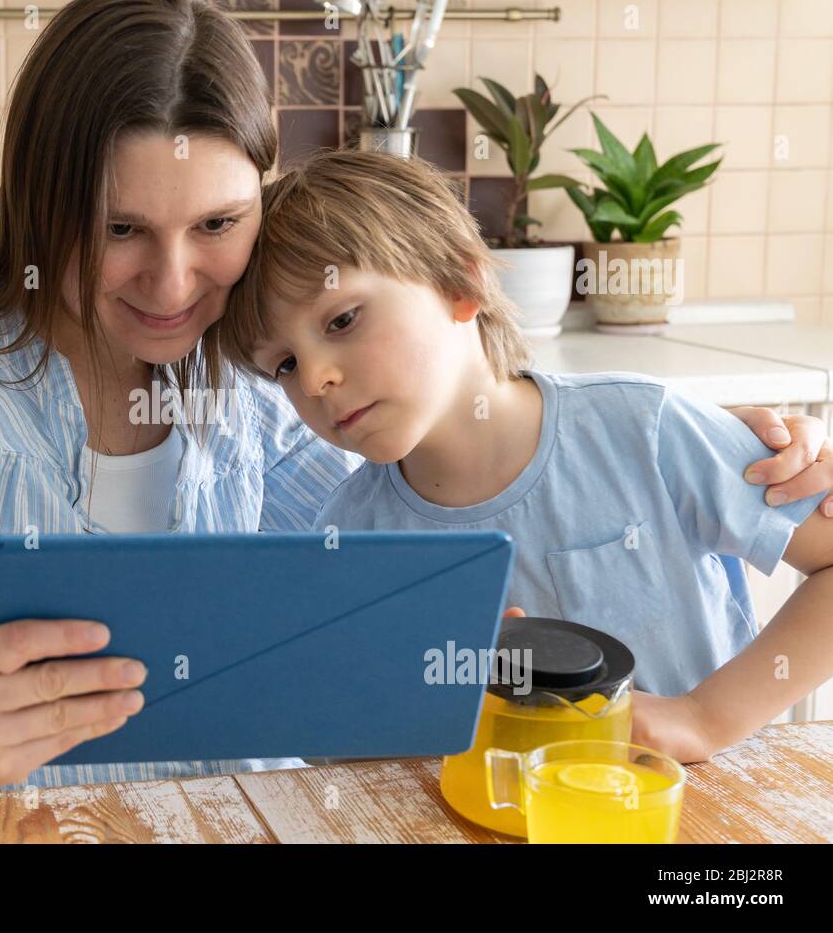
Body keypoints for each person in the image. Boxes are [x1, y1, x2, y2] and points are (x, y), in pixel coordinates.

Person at [0, 0, 833, 843]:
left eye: (214, 222)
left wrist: (663, 442)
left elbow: (420, 519)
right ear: (37, 202)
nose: (171, 283)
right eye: (118, 229)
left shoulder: (260, 372)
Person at [216, 149, 833, 763]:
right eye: (286, 365)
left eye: (343, 319)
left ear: (461, 284)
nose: (315, 378)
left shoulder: (642, 427)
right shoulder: (350, 536)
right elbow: (358, 753)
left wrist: (703, 718)